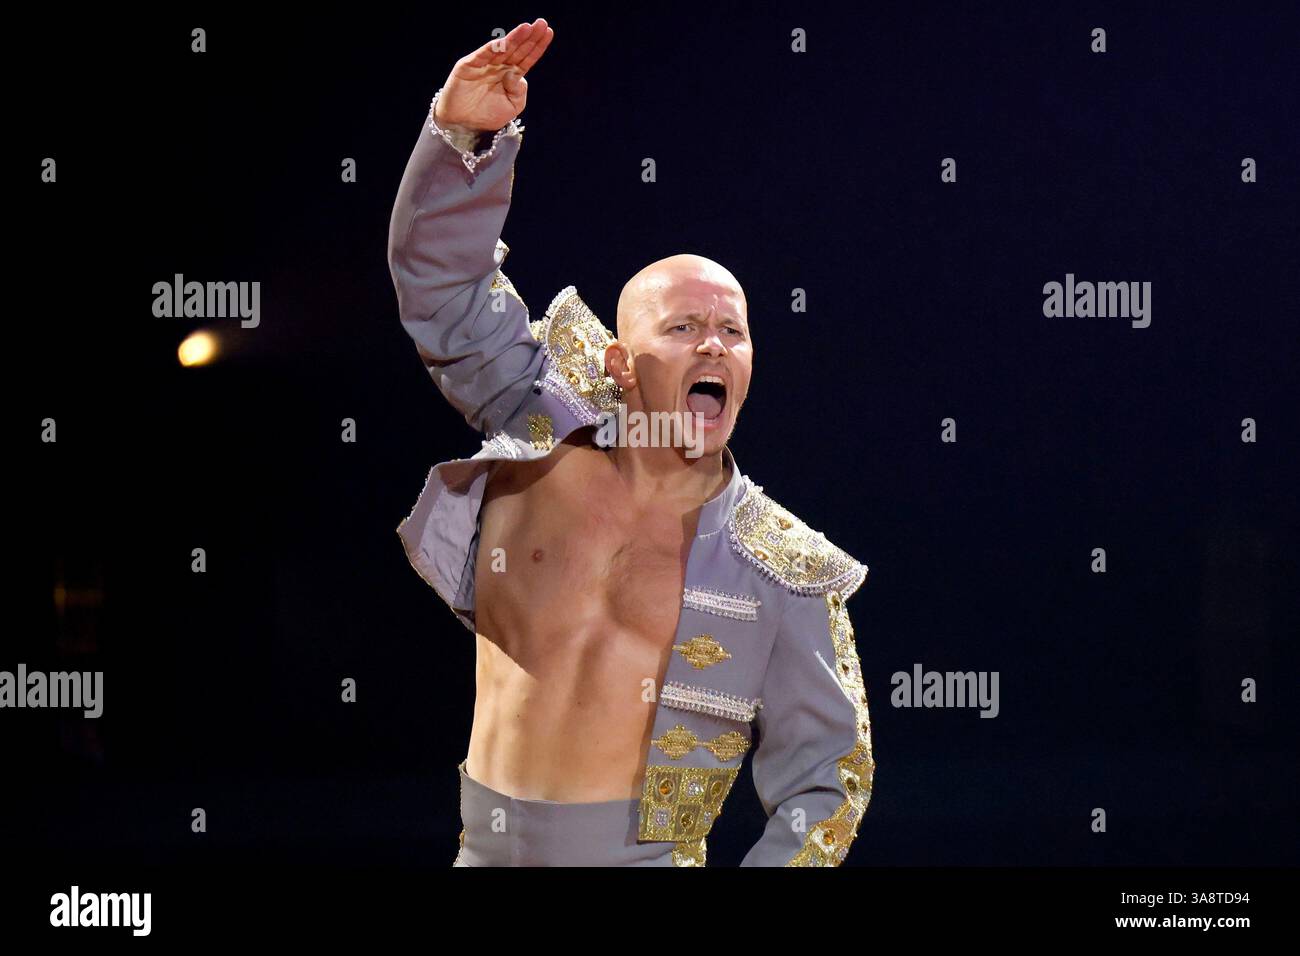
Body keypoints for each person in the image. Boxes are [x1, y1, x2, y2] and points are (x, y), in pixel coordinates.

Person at [387, 18, 874, 866]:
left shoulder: (784, 569)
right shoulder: (537, 421)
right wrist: (464, 134)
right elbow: (442, 285)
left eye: (733, 330)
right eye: (684, 326)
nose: (714, 345)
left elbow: (828, 784)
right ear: (618, 361)